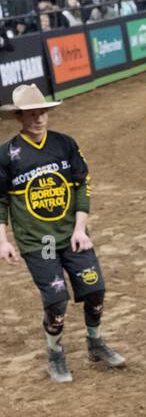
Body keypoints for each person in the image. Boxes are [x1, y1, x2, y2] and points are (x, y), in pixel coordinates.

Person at [0, 84, 126, 382]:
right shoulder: (7, 154)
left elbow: (82, 182)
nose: (38, 119)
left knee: (95, 290)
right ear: (20, 117)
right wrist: (2, 240)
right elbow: (0, 199)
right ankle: (55, 355)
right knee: (56, 300)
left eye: (42, 112)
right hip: (37, 242)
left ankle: (95, 344)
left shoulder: (65, 144)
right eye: (31, 114)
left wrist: (81, 228)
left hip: (72, 235)